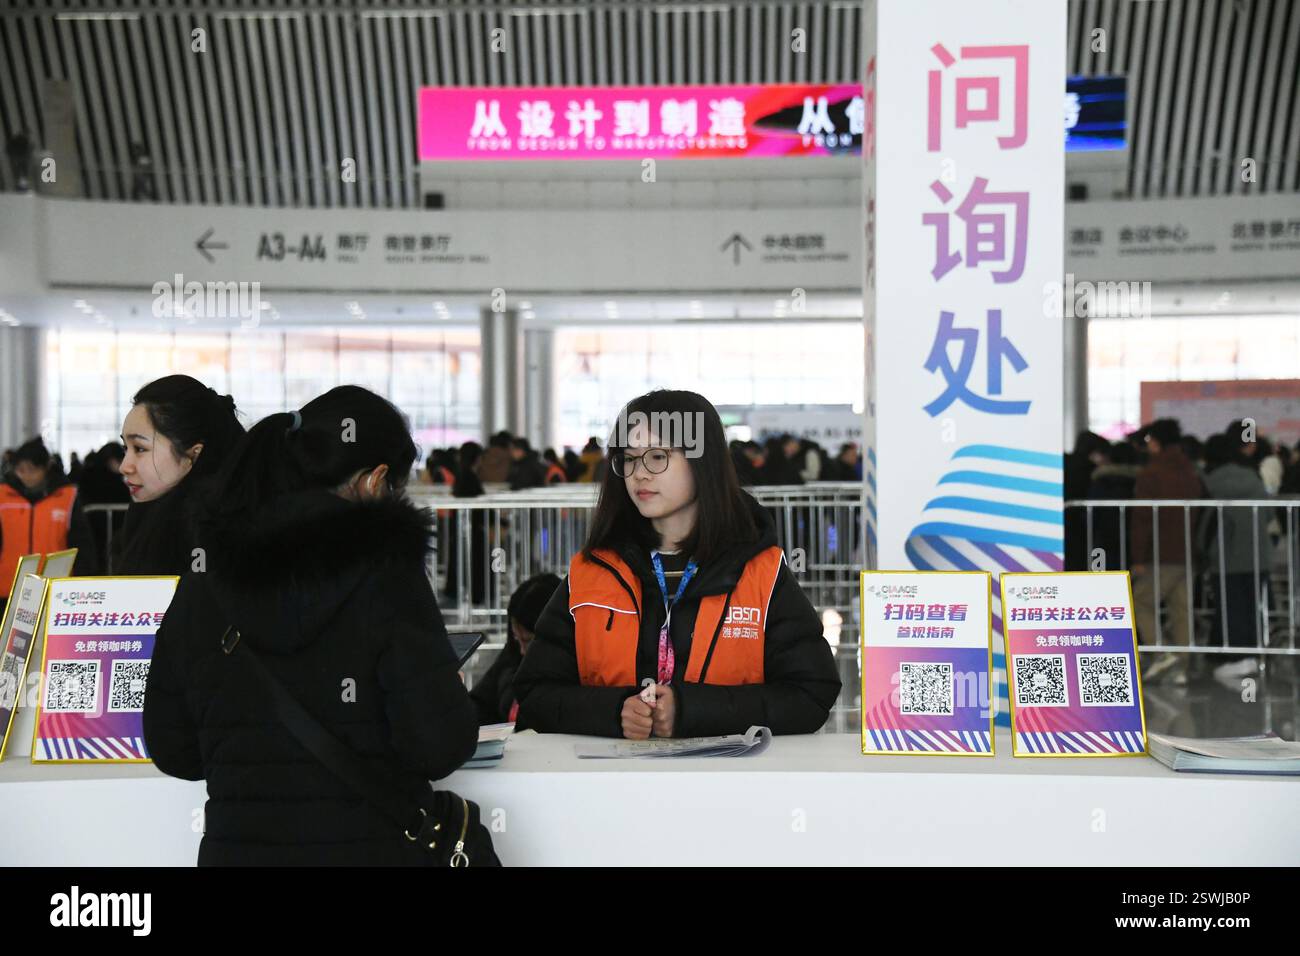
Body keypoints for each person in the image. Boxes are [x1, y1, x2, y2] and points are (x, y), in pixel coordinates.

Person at [142, 386, 478, 865]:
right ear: (375, 481)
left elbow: (173, 748)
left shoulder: (205, 574)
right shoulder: (386, 572)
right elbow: (438, 746)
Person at [514, 389, 841, 739]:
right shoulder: (591, 573)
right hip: (609, 786)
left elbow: (811, 695)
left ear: (703, 462)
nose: (639, 474)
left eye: (657, 457)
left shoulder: (761, 571)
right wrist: (615, 712)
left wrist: (693, 711)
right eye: (629, 458)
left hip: (728, 786)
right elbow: (535, 693)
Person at [116, 375, 245, 576]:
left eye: (140, 448)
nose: (125, 466)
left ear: (192, 455)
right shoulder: (145, 516)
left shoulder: (209, 535)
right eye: (126, 448)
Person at [1130, 419, 1203, 685]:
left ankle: (1161, 653)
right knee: (1181, 609)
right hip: (1186, 551)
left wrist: (1138, 558)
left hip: (1160, 553)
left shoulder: (1151, 474)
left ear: (1157, 442)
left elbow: (1142, 519)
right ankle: (1181, 668)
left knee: (1139, 601)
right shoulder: (1189, 472)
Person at [1198, 431, 1272, 690]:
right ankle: (1251, 654)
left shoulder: (1211, 480)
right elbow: (1269, 513)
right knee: (1253, 605)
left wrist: (1201, 548)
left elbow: (1204, 519)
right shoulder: (1252, 477)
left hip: (1225, 553)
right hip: (1256, 553)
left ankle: (1229, 653)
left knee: (1228, 605)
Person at [0, 437, 99, 609]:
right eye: (20, 470)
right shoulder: (3, 495)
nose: (26, 476)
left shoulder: (66, 496)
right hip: (8, 587)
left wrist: (84, 579)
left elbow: (81, 541)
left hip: (55, 587)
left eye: (32, 469)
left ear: (46, 468)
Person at [470, 572, 562, 725]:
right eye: (516, 638)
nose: (522, 650)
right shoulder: (513, 653)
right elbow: (480, 702)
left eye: (528, 641)